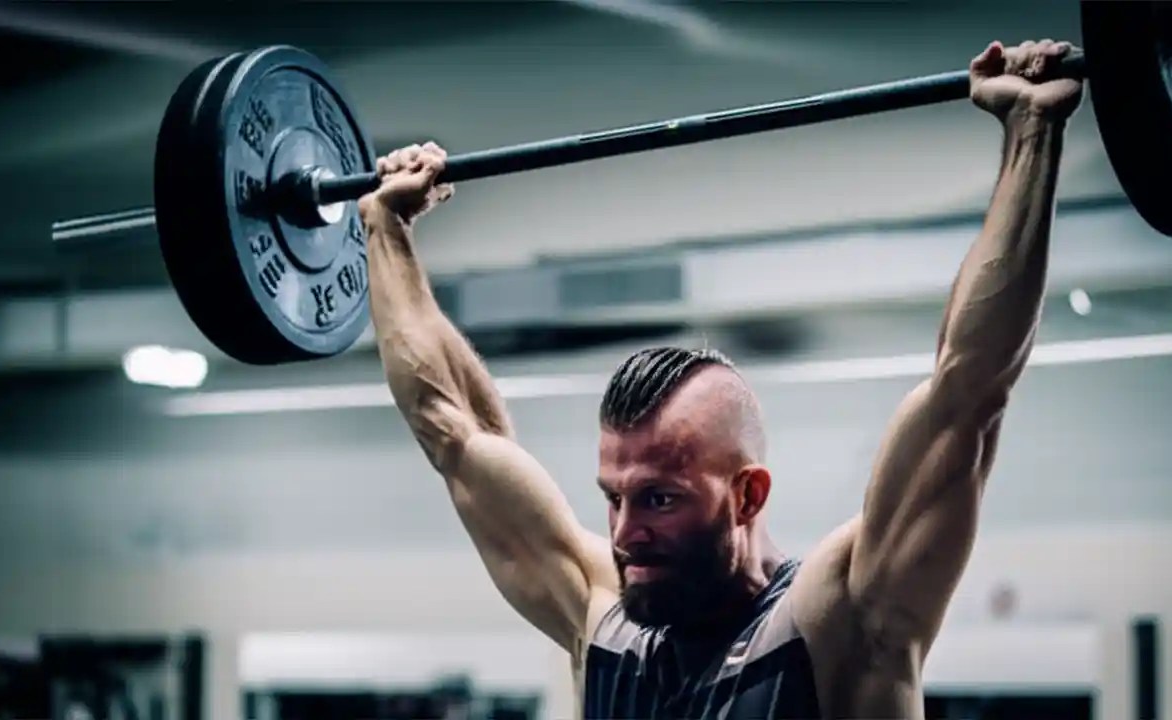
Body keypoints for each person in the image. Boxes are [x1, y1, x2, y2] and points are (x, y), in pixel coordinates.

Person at [357, 38, 1082, 720]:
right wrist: (385, 231)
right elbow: (455, 431)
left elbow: (968, 393)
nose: (624, 533)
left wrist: (1031, 132)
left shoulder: (841, 619)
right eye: (613, 499)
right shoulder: (604, 617)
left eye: (660, 499)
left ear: (747, 494)